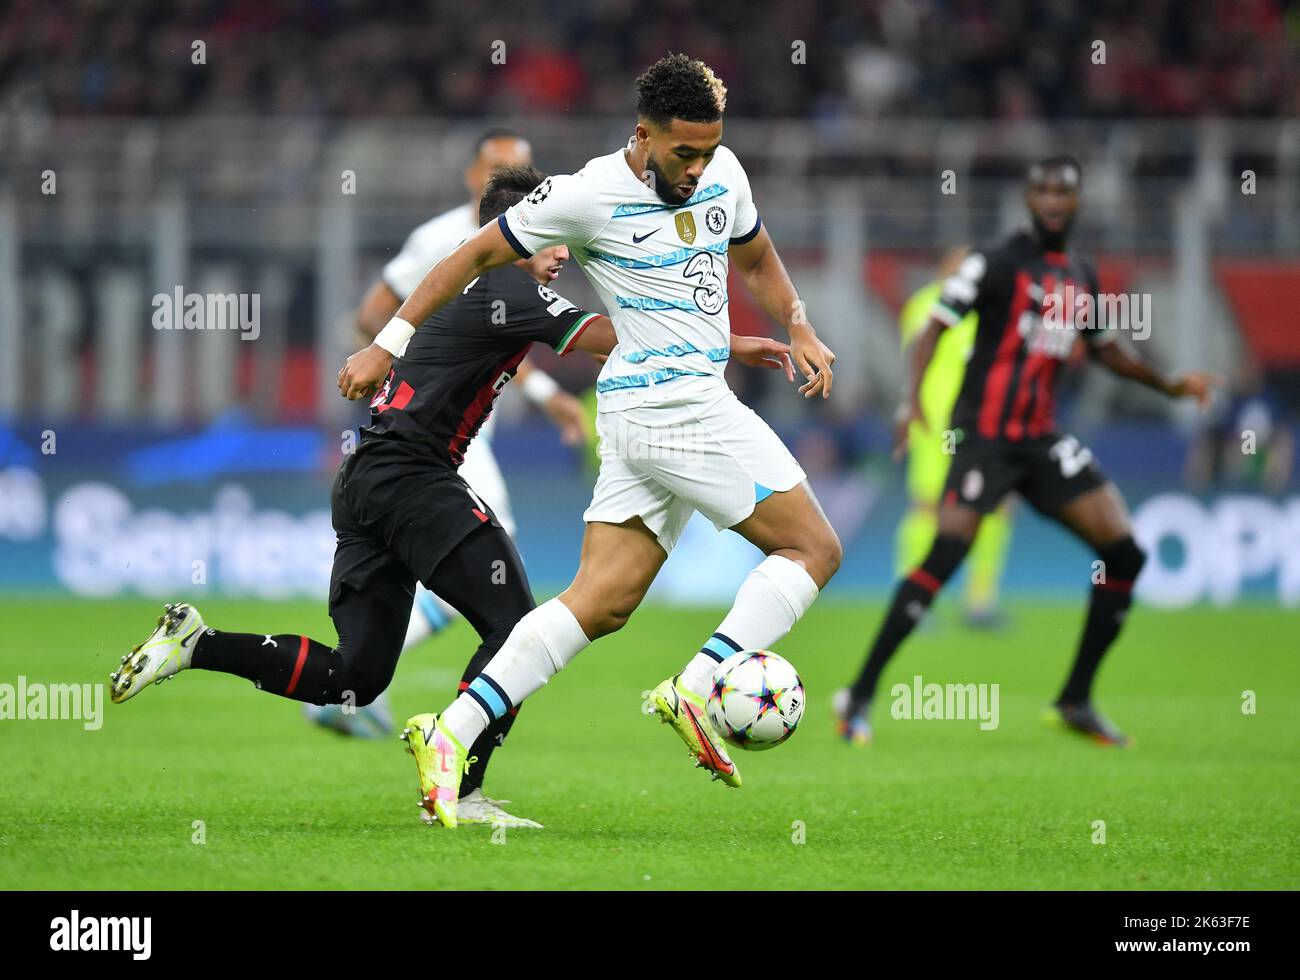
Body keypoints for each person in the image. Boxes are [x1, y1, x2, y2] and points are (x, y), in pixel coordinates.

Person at [112, 166, 793, 830]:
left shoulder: (483, 290)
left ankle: (198, 645)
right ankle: (463, 785)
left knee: (354, 676)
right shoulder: (511, 288)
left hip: (366, 482)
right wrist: (725, 343)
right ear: (525, 230)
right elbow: (607, 340)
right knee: (518, 626)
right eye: (553, 238)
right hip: (412, 477)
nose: (563, 254)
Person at [338, 54, 842, 828]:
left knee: (598, 604)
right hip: (678, 407)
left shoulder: (724, 171)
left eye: (709, 150)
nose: (698, 166)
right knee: (813, 549)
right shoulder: (586, 194)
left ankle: (453, 734)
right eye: (684, 153)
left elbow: (756, 255)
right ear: (643, 135)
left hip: (640, 417)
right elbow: (473, 254)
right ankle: (704, 685)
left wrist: (794, 321)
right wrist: (390, 342)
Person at [834, 155, 1222, 747]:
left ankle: (1075, 700)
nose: (1051, 201)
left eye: (1062, 191)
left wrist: (1170, 385)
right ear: (1028, 198)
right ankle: (859, 695)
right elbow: (936, 327)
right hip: (983, 438)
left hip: (1040, 438)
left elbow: (1106, 351)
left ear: (1077, 201)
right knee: (944, 555)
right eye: (1041, 190)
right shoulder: (995, 262)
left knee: (1125, 553)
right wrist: (909, 403)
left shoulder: (1080, 276)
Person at [306, 129, 590, 747]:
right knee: (502, 589)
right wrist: (403, 360)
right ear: (475, 178)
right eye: (501, 166)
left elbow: (499, 328)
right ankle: (456, 746)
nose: (518, 173)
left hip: (428, 432)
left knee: (480, 572)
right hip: (426, 434)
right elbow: (374, 306)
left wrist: (537, 393)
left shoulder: (520, 262)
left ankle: (356, 686)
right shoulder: (442, 240)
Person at [892, 248, 1013, 640]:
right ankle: (912, 599)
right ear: (944, 268)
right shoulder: (925, 304)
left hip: (982, 426)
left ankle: (981, 601)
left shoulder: (987, 307)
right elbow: (915, 359)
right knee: (929, 509)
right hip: (934, 424)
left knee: (995, 509)